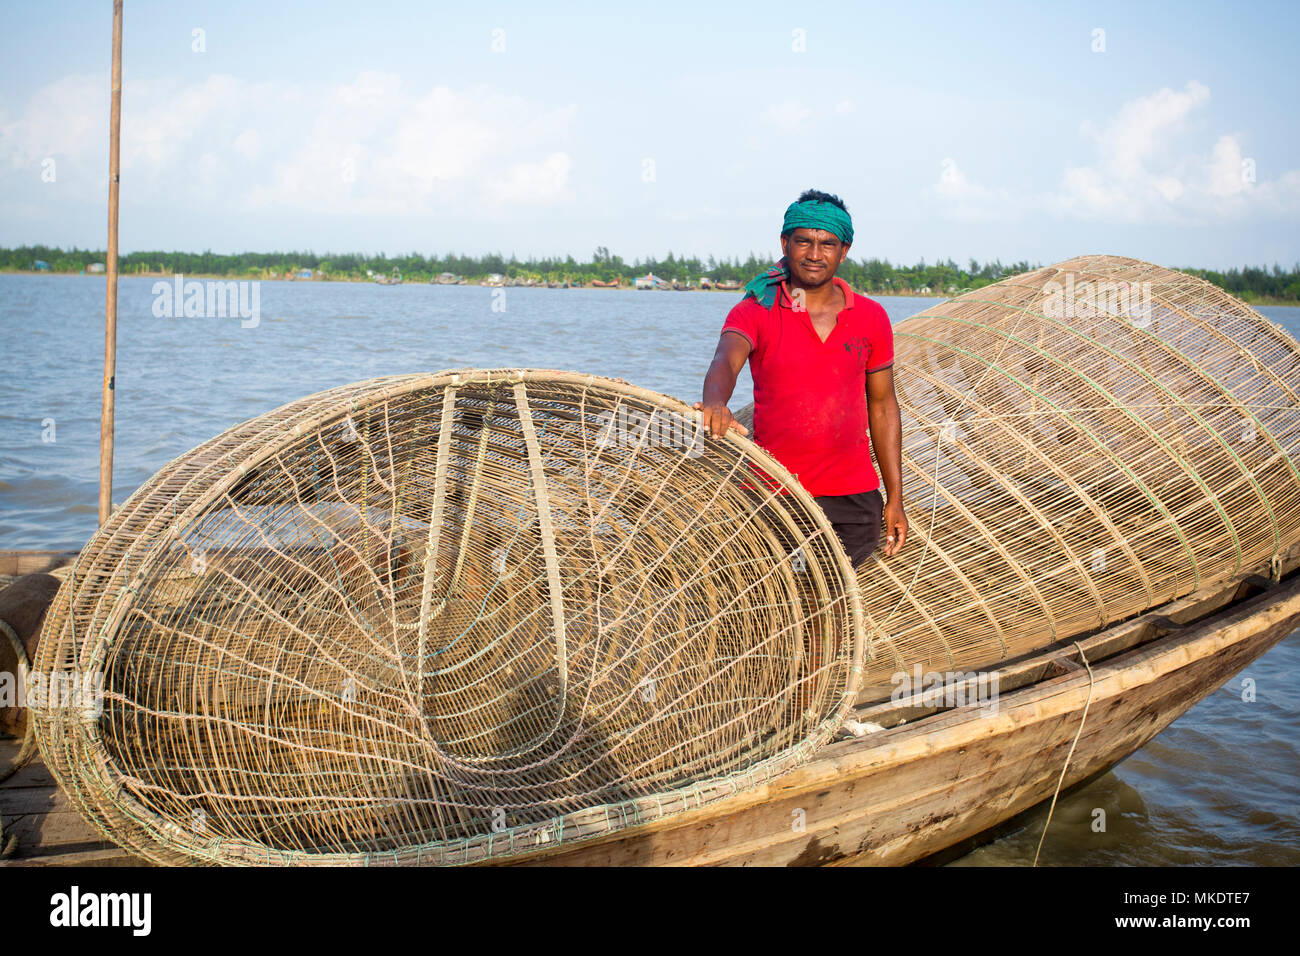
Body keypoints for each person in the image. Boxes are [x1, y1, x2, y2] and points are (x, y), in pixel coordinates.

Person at [696, 189, 907, 568]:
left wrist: (895, 497)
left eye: (827, 244)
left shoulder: (871, 317)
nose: (814, 254)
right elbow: (725, 360)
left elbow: (883, 406)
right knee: (770, 602)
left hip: (853, 498)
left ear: (844, 251)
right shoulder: (756, 309)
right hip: (772, 491)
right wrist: (716, 403)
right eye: (804, 241)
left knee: (832, 603)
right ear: (785, 243)